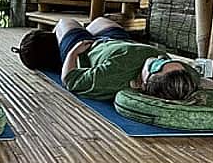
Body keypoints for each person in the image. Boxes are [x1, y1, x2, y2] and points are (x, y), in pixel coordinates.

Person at [55, 17, 200, 101]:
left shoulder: (111, 78)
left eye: (158, 65)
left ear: (142, 84)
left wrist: (73, 53)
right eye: (167, 60)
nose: (160, 57)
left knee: (65, 21)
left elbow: (70, 79)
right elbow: (203, 80)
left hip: (86, 49)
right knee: (99, 20)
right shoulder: (182, 76)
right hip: (120, 40)